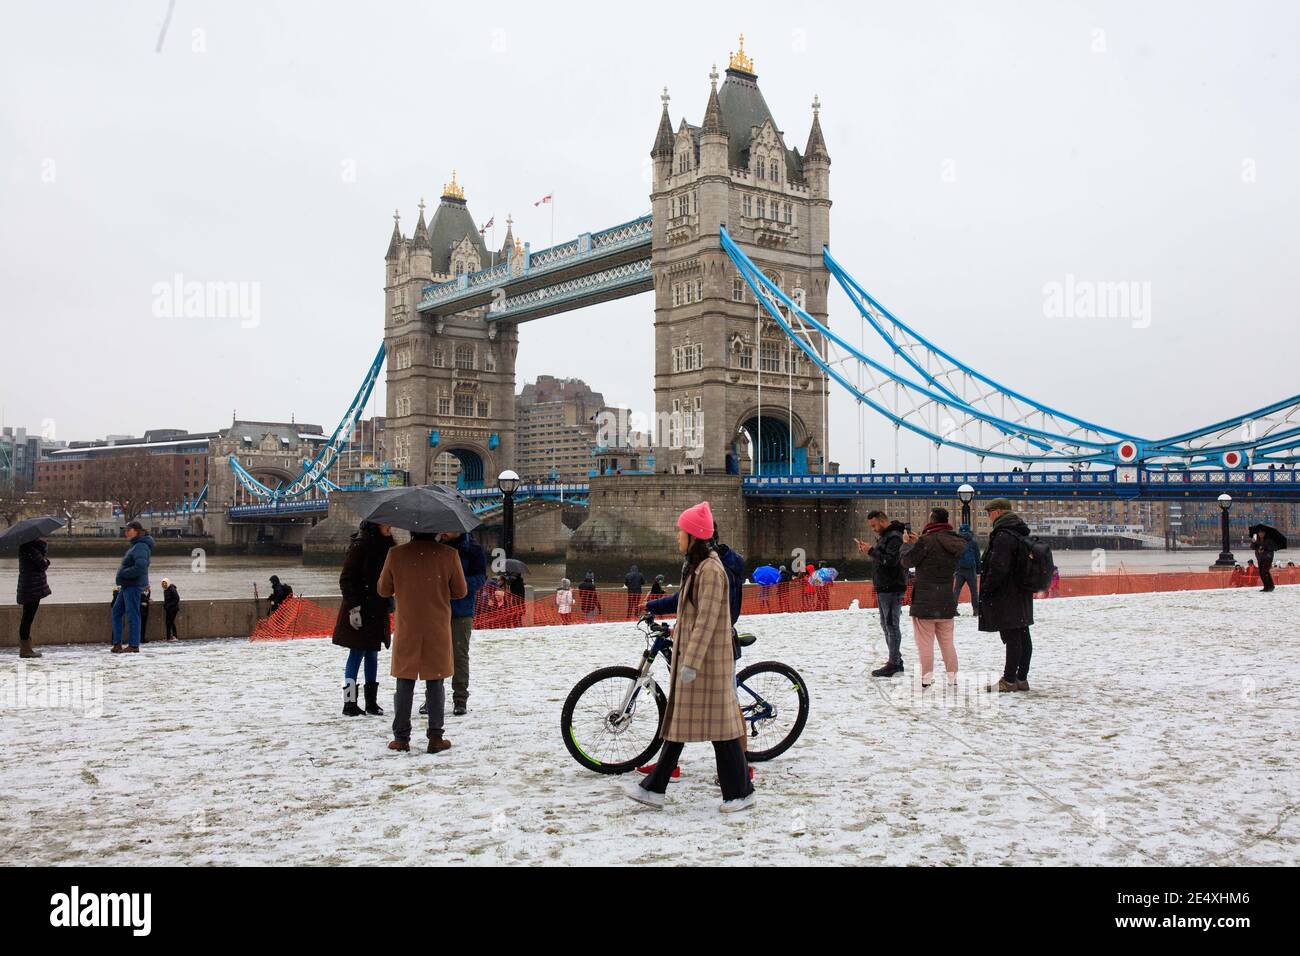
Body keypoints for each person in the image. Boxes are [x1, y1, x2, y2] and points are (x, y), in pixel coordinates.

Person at [628, 501, 755, 813]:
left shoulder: (711, 570)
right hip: (697, 660)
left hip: (706, 663)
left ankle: (739, 793)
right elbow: (692, 612)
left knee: (720, 730)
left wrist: (691, 663)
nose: (677, 537)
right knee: (684, 723)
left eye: (680, 532)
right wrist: (677, 632)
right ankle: (655, 788)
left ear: (694, 536)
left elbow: (709, 620)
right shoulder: (698, 566)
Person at [378, 530, 467, 754]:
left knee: (404, 681)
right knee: (436, 683)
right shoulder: (449, 555)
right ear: (436, 530)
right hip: (436, 626)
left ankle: (401, 737)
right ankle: (436, 737)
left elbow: (383, 590)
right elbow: (460, 591)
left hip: (408, 625)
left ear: (410, 530)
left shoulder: (396, 554)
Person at [331, 521, 396, 717]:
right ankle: (349, 702)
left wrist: (389, 597)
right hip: (360, 608)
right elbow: (346, 579)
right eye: (386, 524)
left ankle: (371, 703)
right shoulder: (359, 546)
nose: (389, 527)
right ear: (375, 525)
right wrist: (353, 609)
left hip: (377, 608)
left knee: (373, 655)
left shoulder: (389, 548)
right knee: (356, 654)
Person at [901, 508, 966, 688]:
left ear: (932, 519)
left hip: (924, 600)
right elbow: (938, 552)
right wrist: (919, 543)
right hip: (946, 598)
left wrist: (907, 545)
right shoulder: (954, 541)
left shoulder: (925, 542)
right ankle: (952, 678)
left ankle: (926, 679)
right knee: (947, 643)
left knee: (925, 644)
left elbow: (907, 561)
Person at [978, 498, 1034, 692]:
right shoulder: (1020, 532)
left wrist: (987, 587)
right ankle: (1021, 678)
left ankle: (1009, 680)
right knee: (1022, 634)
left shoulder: (1004, 535)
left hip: (1006, 594)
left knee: (1012, 636)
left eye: (989, 512)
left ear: (999, 512)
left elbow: (999, 567)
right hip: (1021, 592)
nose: (988, 516)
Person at [856, 510, 907, 677]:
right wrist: (871, 550)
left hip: (891, 588)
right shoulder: (888, 536)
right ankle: (895, 660)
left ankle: (894, 663)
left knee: (891, 626)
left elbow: (891, 561)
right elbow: (884, 558)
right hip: (884, 587)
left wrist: (871, 550)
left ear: (882, 521)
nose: (873, 529)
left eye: (874, 525)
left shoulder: (894, 537)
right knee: (887, 625)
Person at [441, 531, 487, 716]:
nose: (443, 532)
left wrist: (458, 583)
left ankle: (460, 699)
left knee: (459, 656)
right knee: (435, 656)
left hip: (462, 611)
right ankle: (433, 697)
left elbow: (481, 578)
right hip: (438, 609)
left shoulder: (473, 550)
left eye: (447, 529)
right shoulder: (437, 547)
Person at [111, 521, 154, 654]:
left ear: (137, 531)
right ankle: (117, 643)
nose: (126, 532)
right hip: (127, 586)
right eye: (125, 530)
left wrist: (123, 574)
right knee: (117, 612)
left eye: (129, 530)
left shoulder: (141, 546)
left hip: (133, 585)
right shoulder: (136, 546)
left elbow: (141, 567)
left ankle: (134, 645)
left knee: (133, 614)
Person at [16, 536, 51, 659]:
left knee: (27, 617)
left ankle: (26, 648)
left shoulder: (27, 547)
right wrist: (44, 554)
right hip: (32, 588)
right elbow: (42, 565)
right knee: (27, 618)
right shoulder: (30, 548)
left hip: (29, 587)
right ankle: (25, 649)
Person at [953, 524, 980, 614]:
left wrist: (954, 568)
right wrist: (978, 570)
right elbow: (977, 557)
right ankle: (976, 610)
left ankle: (953, 609)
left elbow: (954, 556)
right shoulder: (973, 542)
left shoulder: (956, 542)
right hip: (971, 569)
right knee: (974, 591)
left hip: (960, 569)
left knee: (957, 590)